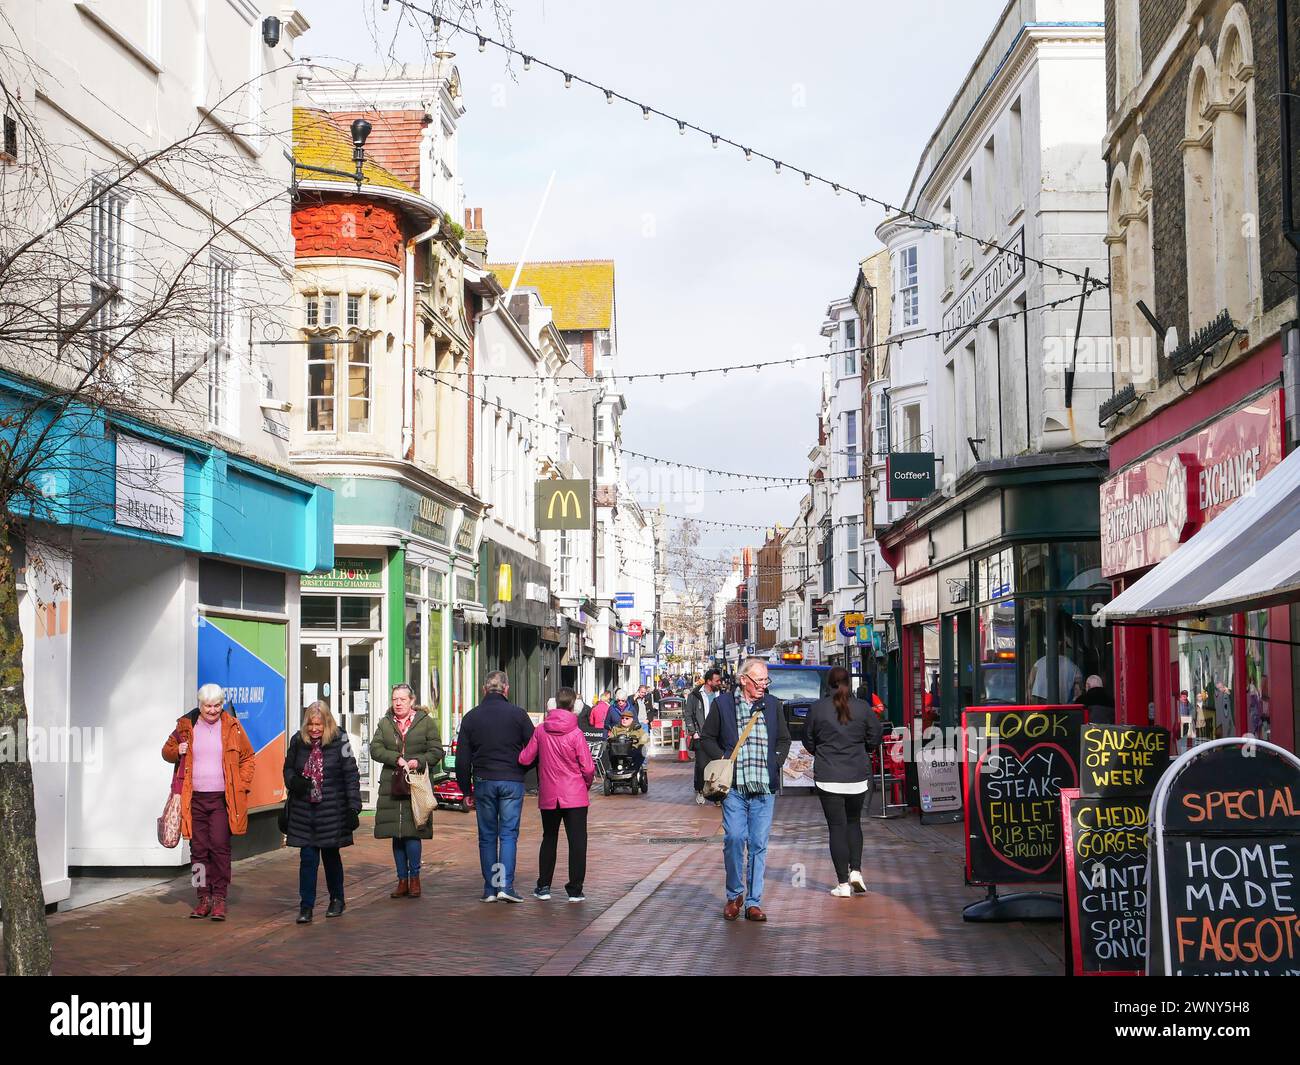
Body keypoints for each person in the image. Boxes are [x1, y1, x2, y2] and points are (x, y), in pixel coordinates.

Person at [699, 657, 790, 923]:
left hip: (764, 787)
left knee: (759, 844)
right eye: (759, 680)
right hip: (734, 788)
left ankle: (753, 902)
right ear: (743, 680)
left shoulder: (772, 705)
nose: (764, 685)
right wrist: (724, 758)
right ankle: (734, 895)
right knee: (735, 839)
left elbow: (783, 738)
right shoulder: (723, 705)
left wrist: (776, 760)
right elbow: (707, 739)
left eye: (765, 680)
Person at [161, 684, 255, 920]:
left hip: (222, 800)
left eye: (217, 705)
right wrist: (178, 750)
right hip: (194, 799)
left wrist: (241, 786)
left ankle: (220, 898)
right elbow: (166, 751)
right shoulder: (186, 726)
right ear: (200, 705)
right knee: (198, 851)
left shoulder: (232, 726)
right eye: (207, 706)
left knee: (220, 848)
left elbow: (248, 758)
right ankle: (203, 897)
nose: (212, 711)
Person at [455, 670, 535, 903]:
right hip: (511, 780)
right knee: (508, 835)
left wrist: (465, 790)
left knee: (488, 836)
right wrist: (522, 770)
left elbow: (462, 758)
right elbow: (534, 748)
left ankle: (490, 888)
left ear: (484, 689)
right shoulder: (518, 715)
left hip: (483, 781)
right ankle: (505, 886)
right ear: (506, 689)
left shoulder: (471, 717)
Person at [803, 666, 883, 897]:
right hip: (857, 774)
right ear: (849, 682)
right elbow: (875, 735)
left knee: (836, 828)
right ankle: (856, 870)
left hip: (828, 776)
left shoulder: (818, 709)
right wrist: (864, 749)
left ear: (829, 684)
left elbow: (808, 739)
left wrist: (821, 751)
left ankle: (842, 884)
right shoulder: (862, 707)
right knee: (854, 822)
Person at [283, 701, 362, 923]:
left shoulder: (340, 740)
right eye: (310, 724)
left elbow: (351, 774)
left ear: (327, 723)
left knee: (330, 857)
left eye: (318, 724)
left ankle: (337, 899)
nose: (314, 729)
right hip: (303, 811)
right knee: (307, 860)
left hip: (332, 810)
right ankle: (306, 906)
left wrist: (353, 806)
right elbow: (288, 768)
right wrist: (294, 782)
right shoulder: (298, 741)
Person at [518, 687, 595, 902]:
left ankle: (543, 886)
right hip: (575, 794)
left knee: (549, 838)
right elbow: (588, 768)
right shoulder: (576, 733)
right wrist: (584, 785)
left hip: (550, 793)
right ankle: (575, 889)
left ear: (553, 705)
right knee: (577, 841)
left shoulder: (541, 730)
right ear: (574, 707)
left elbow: (525, 758)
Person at [370, 684, 443, 899]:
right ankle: (401, 880)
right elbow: (375, 748)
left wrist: (418, 761)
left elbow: (436, 750)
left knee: (413, 833)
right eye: (395, 699)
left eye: (402, 699)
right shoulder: (385, 723)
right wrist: (395, 758)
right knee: (397, 834)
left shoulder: (425, 722)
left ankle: (415, 878)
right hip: (392, 784)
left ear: (412, 700)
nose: (398, 703)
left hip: (416, 785)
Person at [684, 669, 723, 804]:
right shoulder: (695, 695)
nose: (720, 683)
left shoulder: (721, 694)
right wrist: (693, 732)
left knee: (717, 766)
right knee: (702, 766)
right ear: (709, 681)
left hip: (718, 737)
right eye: (717, 680)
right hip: (701, 735)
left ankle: (717, 795)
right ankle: (701, 791)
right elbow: (688, 714)